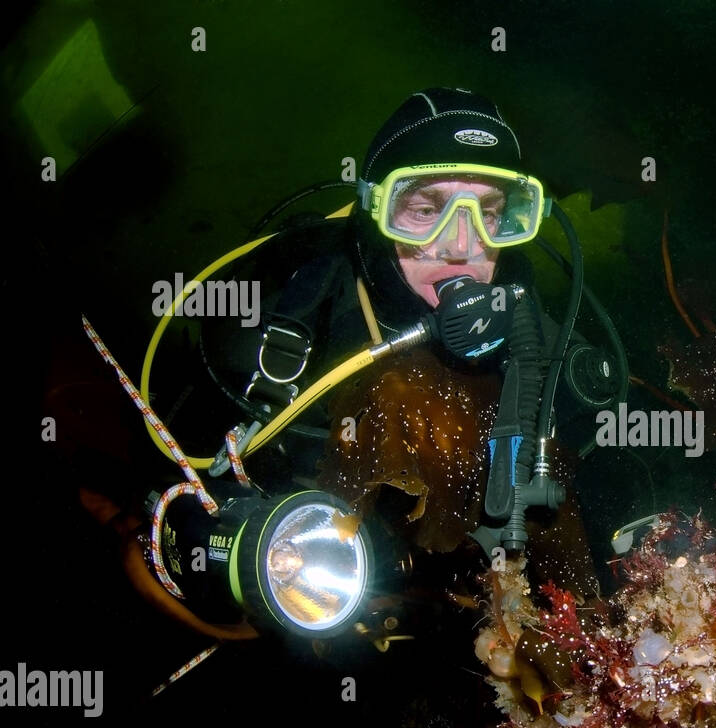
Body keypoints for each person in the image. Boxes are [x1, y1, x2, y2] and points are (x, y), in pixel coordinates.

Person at [146, 87, 623, 638]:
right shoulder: (276, 324)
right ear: (377, 209)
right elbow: (153, 514)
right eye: (424, 210)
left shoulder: (541, 338)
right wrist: (226, 577)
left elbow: (587, 496)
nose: (462, 246)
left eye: (492, 214)